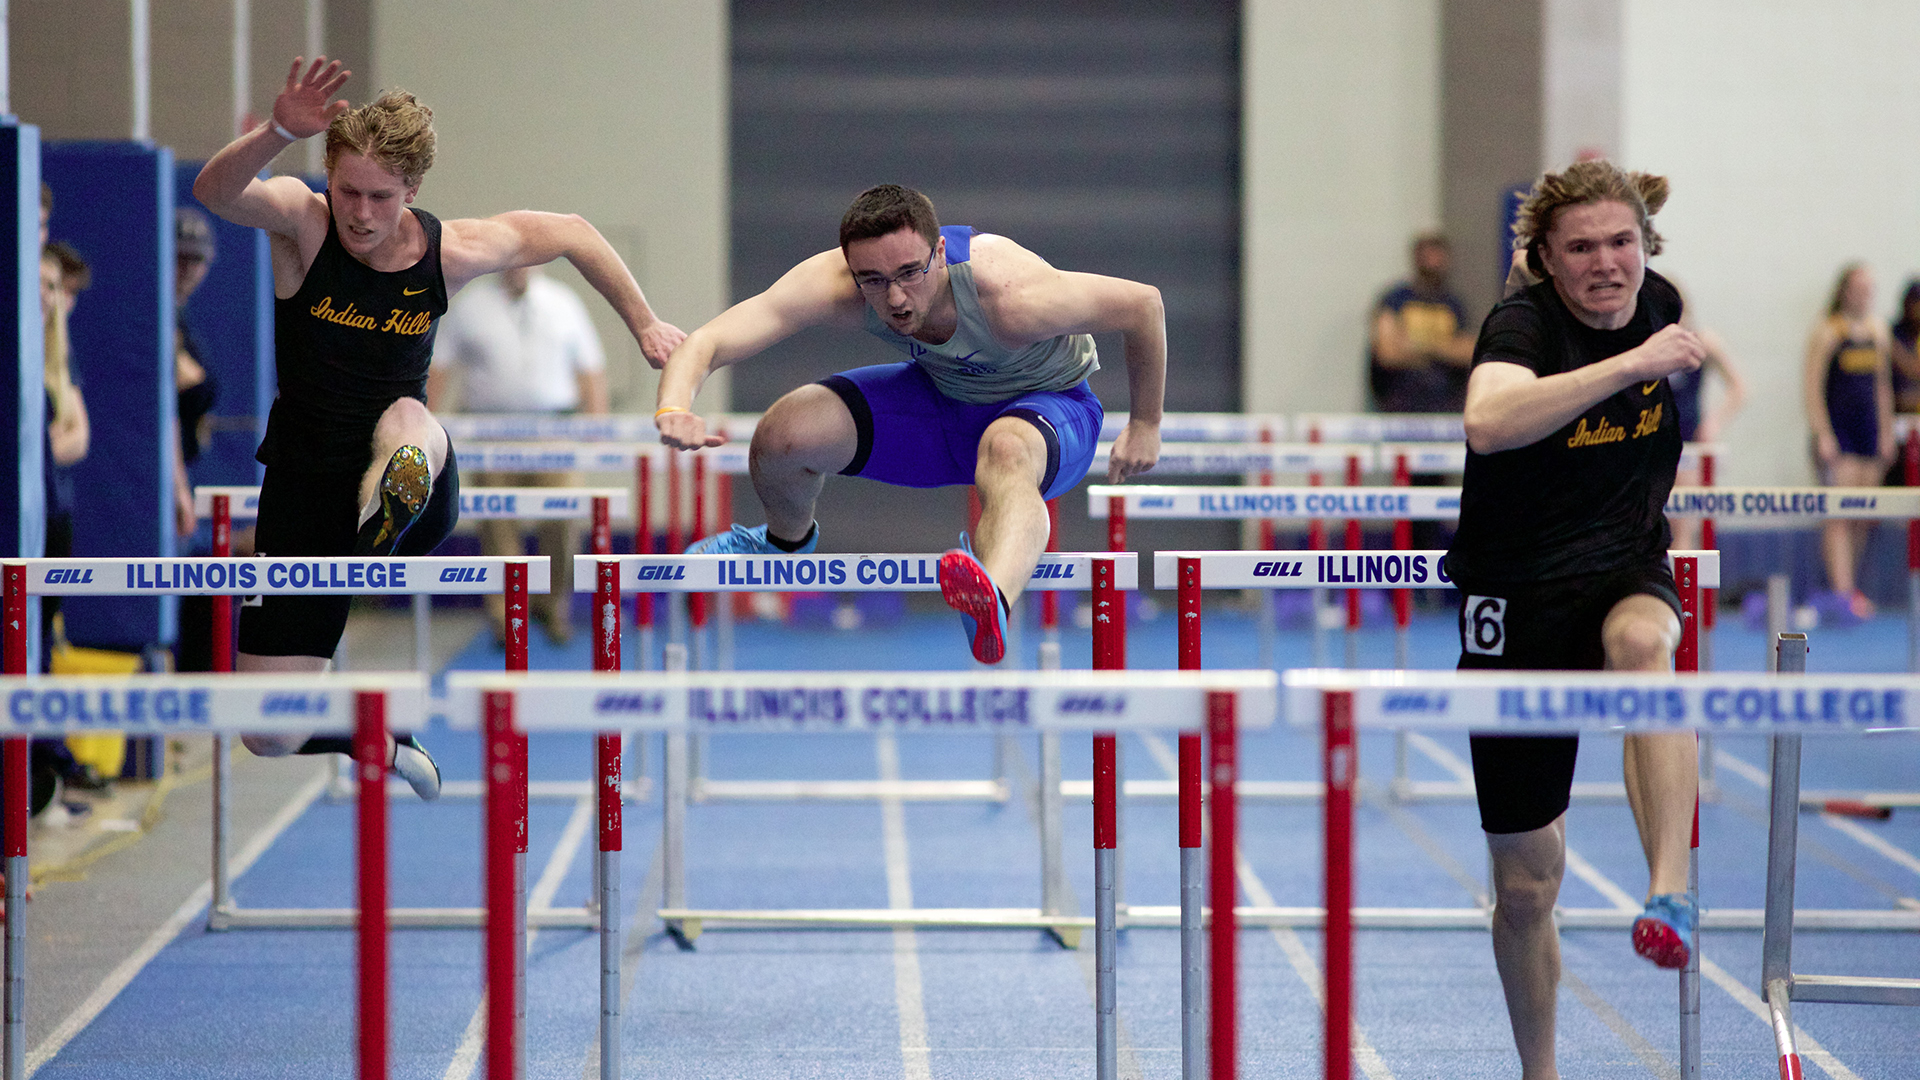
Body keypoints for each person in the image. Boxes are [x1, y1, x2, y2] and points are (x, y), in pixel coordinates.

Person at [193, 57, 685, 796]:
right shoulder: (303, 220)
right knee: (266, 731)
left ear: (413, 191)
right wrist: (276, 134)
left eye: (381, 198)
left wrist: (644, 324)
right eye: (349, 191)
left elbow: (574, 233)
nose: (361, 214)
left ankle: (391, 499)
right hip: (304, 487)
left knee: (407, 415)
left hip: (412, 475)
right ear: (328, 176)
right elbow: (214, 192)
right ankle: (374, 734)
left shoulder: (451, 251)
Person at [654, 185, 1165, 664]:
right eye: (874, 281)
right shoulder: (838, 283)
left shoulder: (1012, 294)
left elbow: (1143, 305)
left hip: (1051, 410)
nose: (895, 298)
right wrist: (674, 408)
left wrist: (1145, 423)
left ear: (940, 252)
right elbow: (709, 340)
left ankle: (992, 600)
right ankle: (783, 541)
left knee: (1006, 447)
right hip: (943, 405)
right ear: (852, 269)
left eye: (909, 273)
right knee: (783, 432)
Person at [1446, 158, 1705, 1080]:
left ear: (1647, 244)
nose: (1606, 264)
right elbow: (1488, 424)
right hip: (1515, 598)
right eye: (1583, 248)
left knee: (1645, 644)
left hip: (1624, 565)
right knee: (1526, 886)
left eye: (1622, 242)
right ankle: (1541, 1072)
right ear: (1547, 260)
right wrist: (1631, 363)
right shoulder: (1521, 325)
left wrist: (1647, 347)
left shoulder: (1659, 300)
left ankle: (1669, 893)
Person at [428, 265, 610, 643]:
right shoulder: (470, 305)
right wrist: (426, 428)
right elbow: (439, 366)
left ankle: (553, 606)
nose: (520, 266)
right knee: (497, 525)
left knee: (564, 518)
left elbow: (591, 367)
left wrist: (598, 429)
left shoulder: (564, 302)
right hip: (490, 433)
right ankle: (505, 616)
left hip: (554, 432)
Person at [1803, 263, 1893, 623]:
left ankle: (1851, 586)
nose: (1864, 295)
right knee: (1838, 515)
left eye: (1869, 289)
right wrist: (1822, 433)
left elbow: (1882, 387)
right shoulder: (1828, 331)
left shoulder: (1877, 331)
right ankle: (1841, 591)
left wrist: (1886, 432)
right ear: (1844, 291)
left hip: (1868, 431)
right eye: (1858, 288)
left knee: (1862, 515)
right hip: (1839, 433)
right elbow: (1812, 387)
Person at [1664, 281, 1748, 550]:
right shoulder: (1647, 346)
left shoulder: (1703, 341)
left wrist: (1714, 422)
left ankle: (1682, 578)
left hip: (1689, 440)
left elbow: (1739, 387)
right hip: (1654, 441)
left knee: (1682, 526)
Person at [1368, 232, 1476, 413]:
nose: (1433, 262)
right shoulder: (1395, 299)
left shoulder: (1453, 304)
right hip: (1399, 404)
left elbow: (1469, 352)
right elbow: (1387, 353)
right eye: (1427, 255)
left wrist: (1418, 345)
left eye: (1437, 255)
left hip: (1445, 405)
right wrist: (1445, 347)